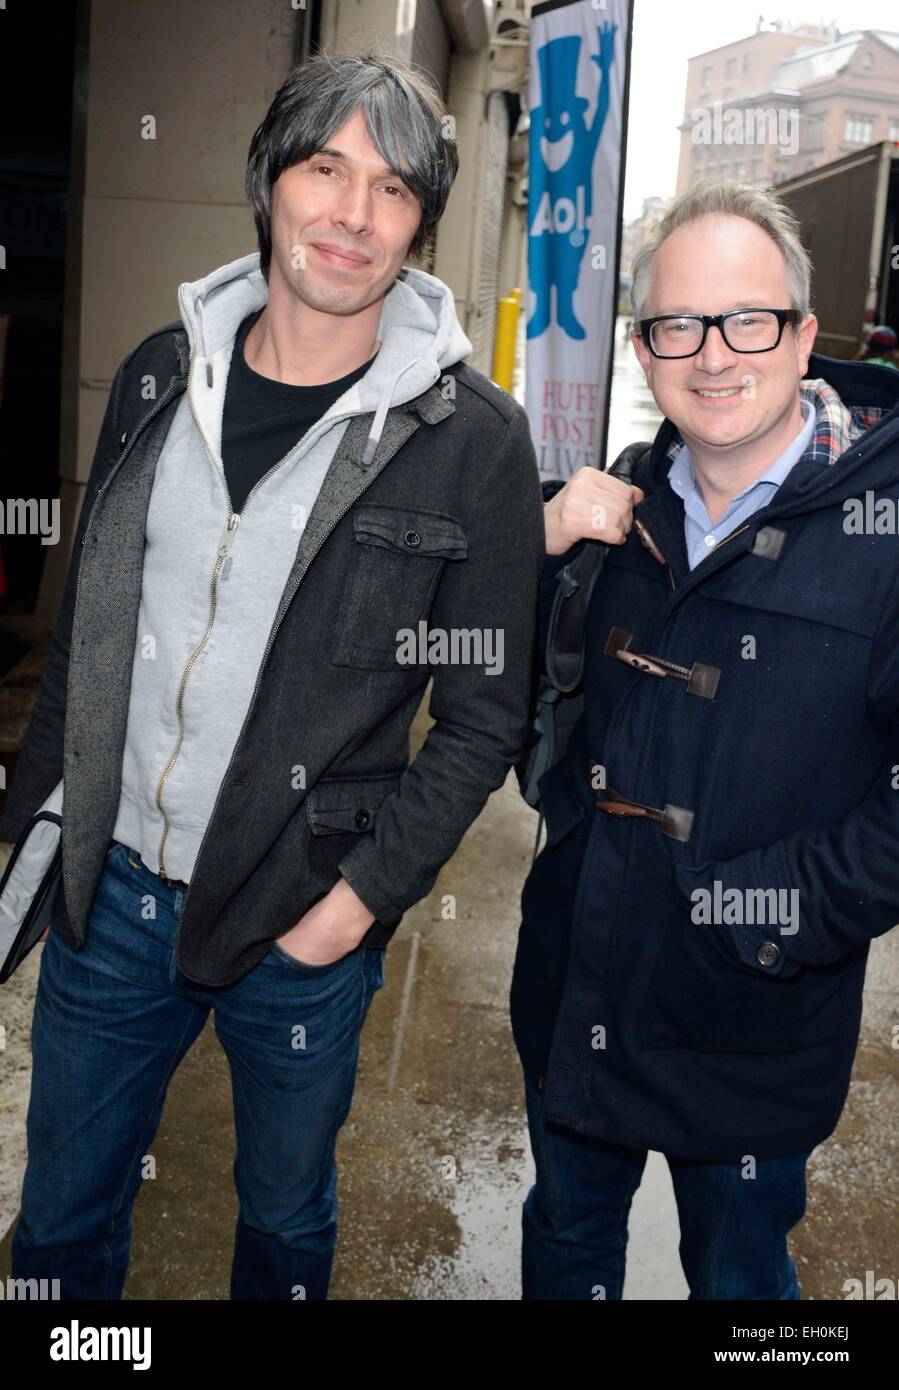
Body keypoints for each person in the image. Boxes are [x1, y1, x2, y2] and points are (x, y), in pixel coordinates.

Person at [0, 50, 545, 1300]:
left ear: (418, 227)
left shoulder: (473, 442)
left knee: (286, 1228)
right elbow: (89, 638)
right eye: (324, 168)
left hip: (302, 922)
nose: (353, 214)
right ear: (269, 182)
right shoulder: (154, 375)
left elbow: (479, 716)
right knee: (60, 1233)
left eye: (394, 189)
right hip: (116, 900)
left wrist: (349, 912)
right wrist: (40, 840)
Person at [511, 178, 899, 1300]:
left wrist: (772, 913)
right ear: (644, 348)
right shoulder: (612, 509)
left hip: (751, 1020)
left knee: (738, 1284)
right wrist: (532, 557)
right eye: (678, 324)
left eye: (748, 319)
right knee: (568, 1248)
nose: (713, 354)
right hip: (578, 991)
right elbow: (506, 699)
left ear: (802, 334)